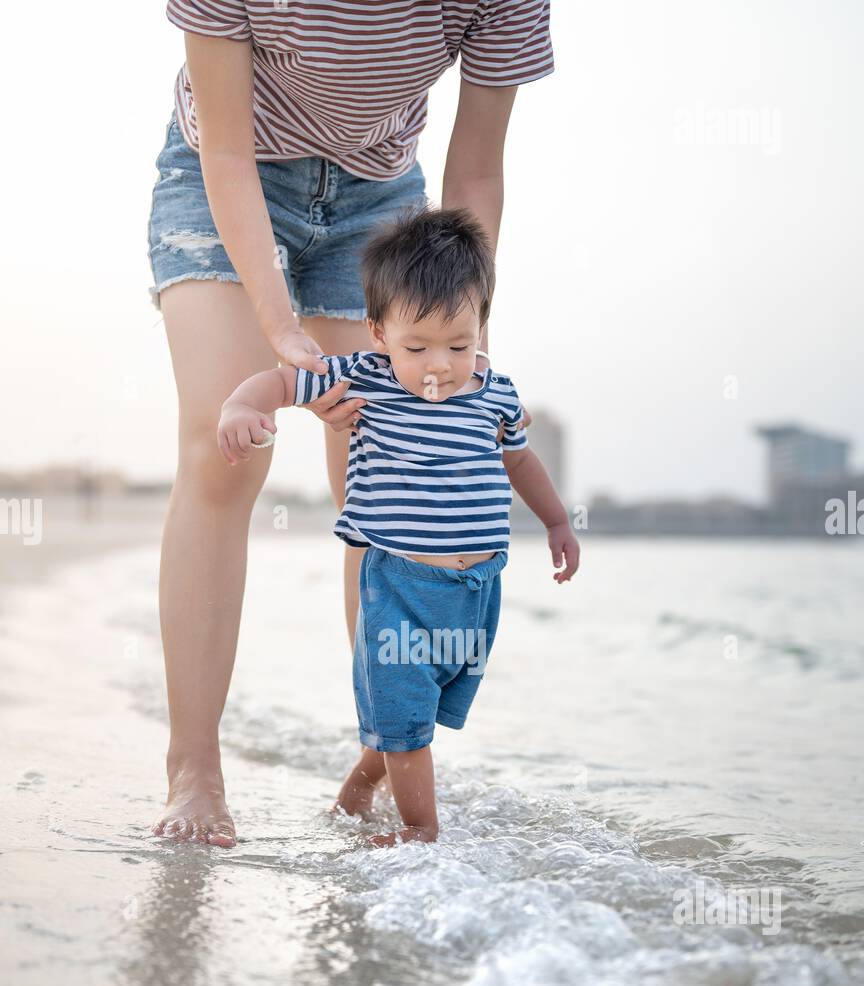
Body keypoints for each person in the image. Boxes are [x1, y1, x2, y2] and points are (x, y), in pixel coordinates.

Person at [148, 0, 555, 846]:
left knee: (383, 471)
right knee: (224, 452)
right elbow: (225, 150)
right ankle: (194, 767)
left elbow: (476, 172)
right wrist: (282, 332)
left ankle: (382, 753)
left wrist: (464, 333)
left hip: (382, 197)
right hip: (225, 171)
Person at [217, 207, 580, 845]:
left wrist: (555, 521)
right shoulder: (366, 376)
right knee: (407, 718)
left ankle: (356, 794)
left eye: (458, 345)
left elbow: (519, 457)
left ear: (480, 328)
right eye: (417, 347)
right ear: (380, 331)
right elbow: (282, 381)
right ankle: (422, 840)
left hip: (477, 594)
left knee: (415, 720)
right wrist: (240, 405)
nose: (438, 365)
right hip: (397, 589)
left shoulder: (496, 391)